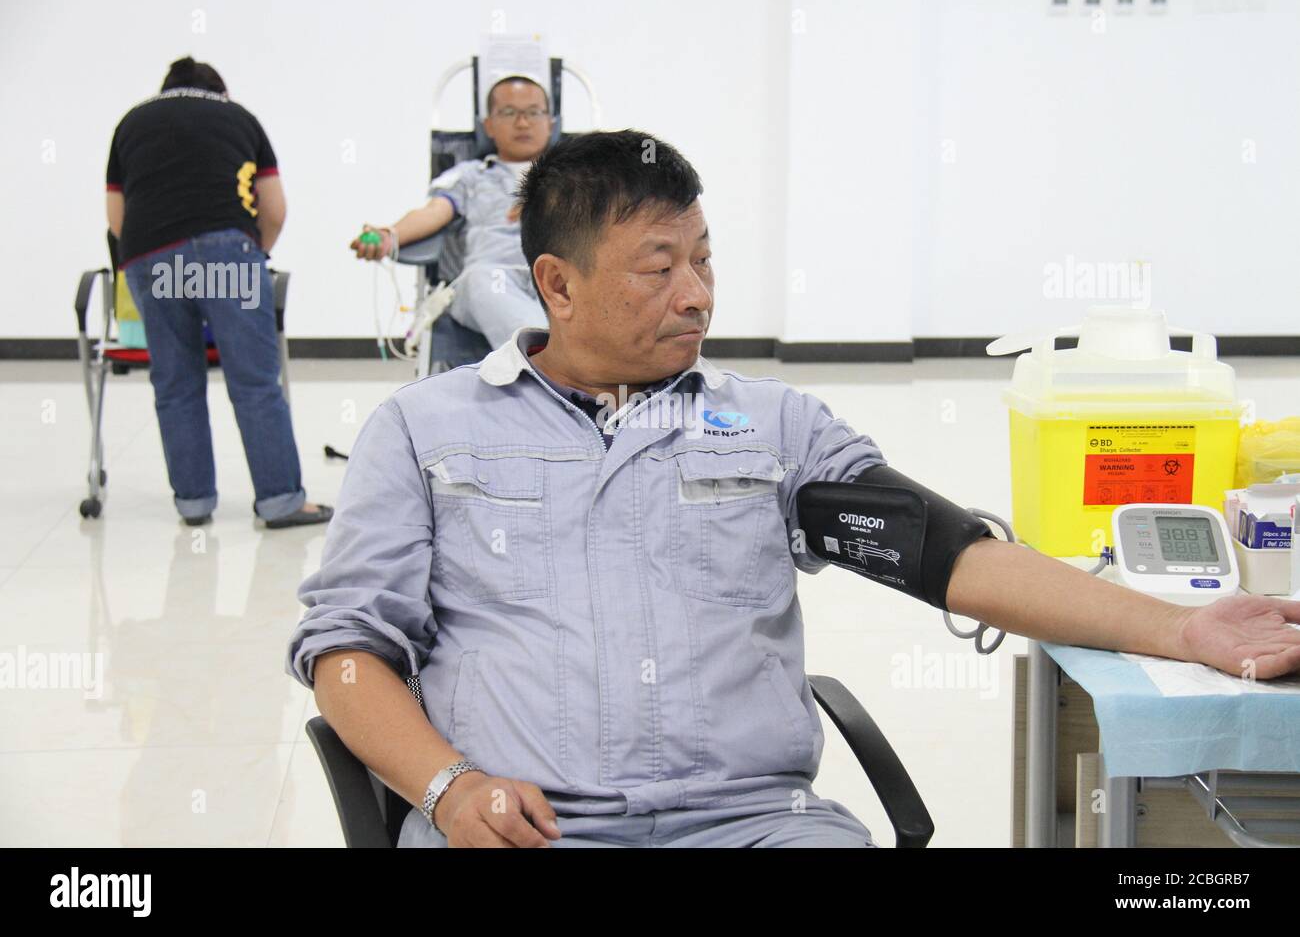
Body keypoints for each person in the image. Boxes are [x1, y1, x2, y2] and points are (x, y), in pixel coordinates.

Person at [287, 130, 1300, 848]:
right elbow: (345, 651)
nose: (696, 293)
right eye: (657, 267)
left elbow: (949, 557)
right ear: (555, 283)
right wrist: (448, 785)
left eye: (704, 258)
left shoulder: (771, 428)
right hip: (525, 822)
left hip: (752, 824)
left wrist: (1181, 627)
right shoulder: (425, 429)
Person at [106, 57, 331, 529]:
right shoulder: (239, 118)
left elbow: (117, 216)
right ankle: (281, 501)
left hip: (153, 256)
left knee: (175, 382)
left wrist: (148, 259)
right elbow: (273, 206)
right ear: (219, 91)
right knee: (253, 380)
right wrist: (255, 255)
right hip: (226, 252)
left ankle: (193, 503)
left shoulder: (131, 122)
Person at [349, 75, 551, 348]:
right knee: (486, 280)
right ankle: (547, 361)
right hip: (494, 276)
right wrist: (389, 235)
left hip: (559, 275)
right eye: (509, 112)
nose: (523, 122)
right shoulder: (469, 176)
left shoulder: (577, 176)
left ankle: (553, 365)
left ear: (550, 122)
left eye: (533, 112)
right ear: (488, 125)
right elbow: (433, 212)